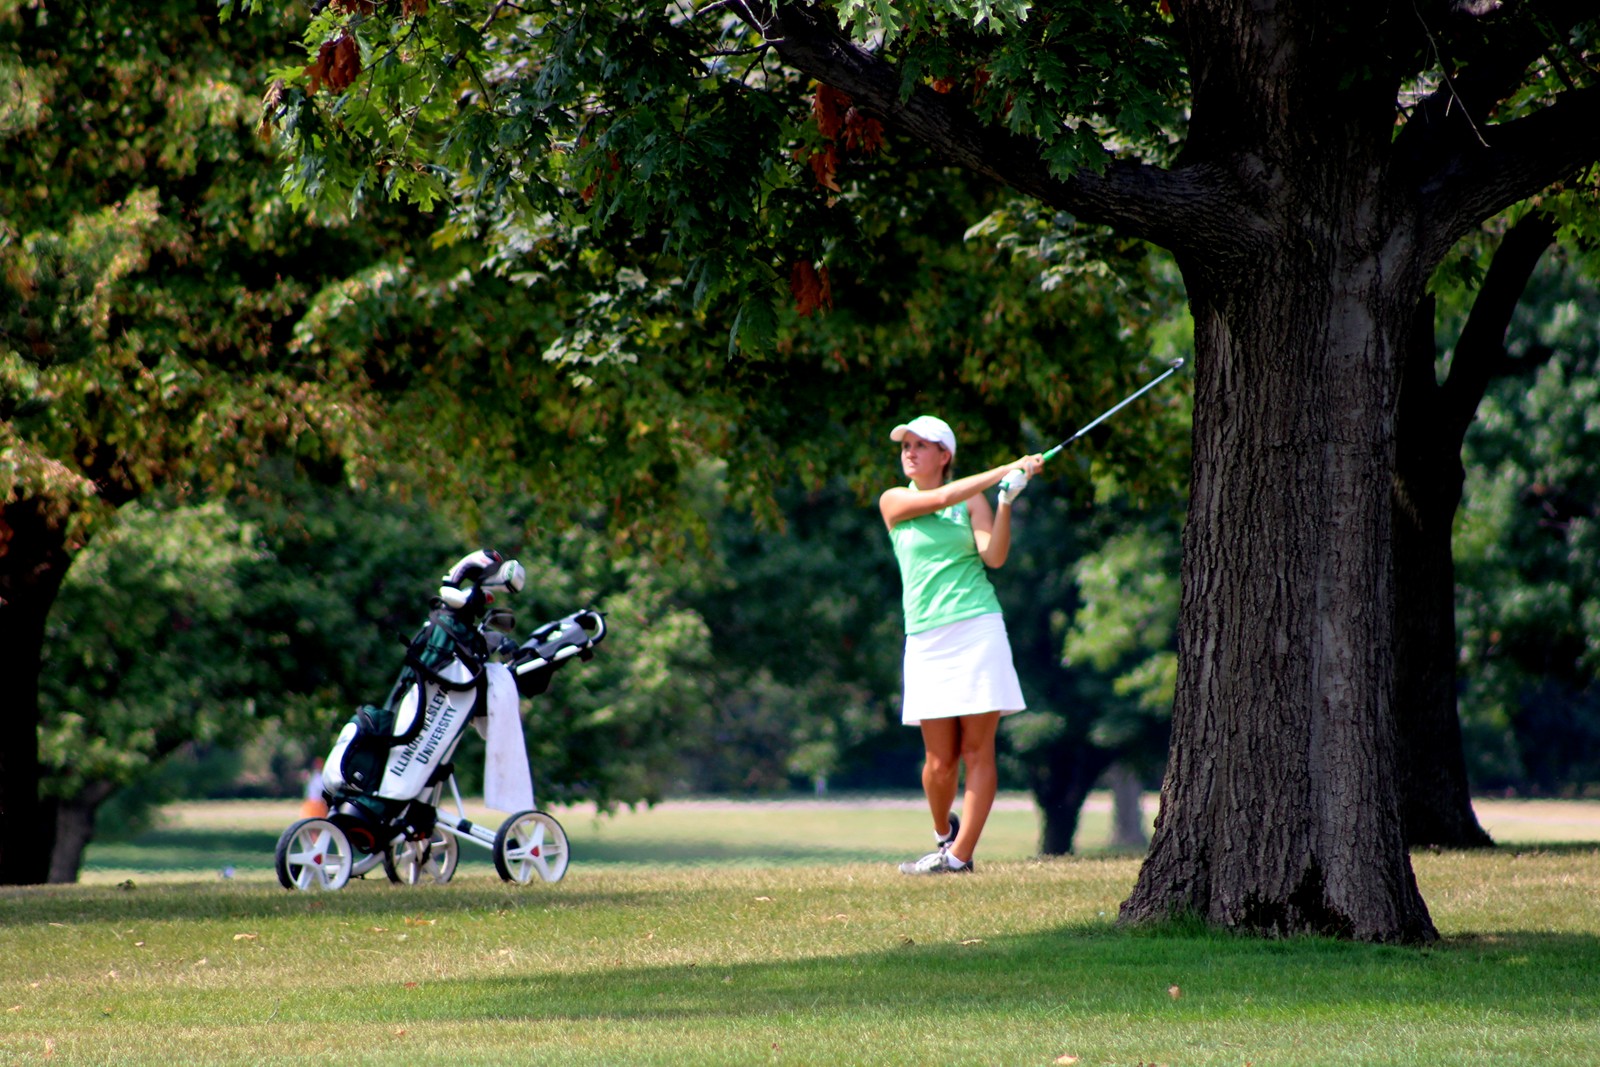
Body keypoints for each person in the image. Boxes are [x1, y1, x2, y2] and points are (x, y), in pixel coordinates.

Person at [880, 415, 1043, 874]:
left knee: (977, 750)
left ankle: (958, 858)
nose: (910, 452)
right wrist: (1006, 468)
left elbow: (994, 556)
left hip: (977, 627)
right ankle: (942, 835)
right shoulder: (894, 500)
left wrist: (1005, 501)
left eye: (921, 445)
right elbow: (941, 498)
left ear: (944, 455)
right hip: (926, 637)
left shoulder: (972, 500)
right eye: (906, 445)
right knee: (939, 762)